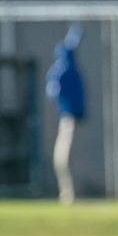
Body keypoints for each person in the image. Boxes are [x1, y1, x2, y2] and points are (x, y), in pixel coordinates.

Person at [45, 26, 86, 205]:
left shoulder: (63, 69)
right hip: (69, 117)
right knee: (62, 159)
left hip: (69, 118)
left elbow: (51, 91)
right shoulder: (69, 69)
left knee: (62, 158)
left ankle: (69, 195)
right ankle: (68, 194)